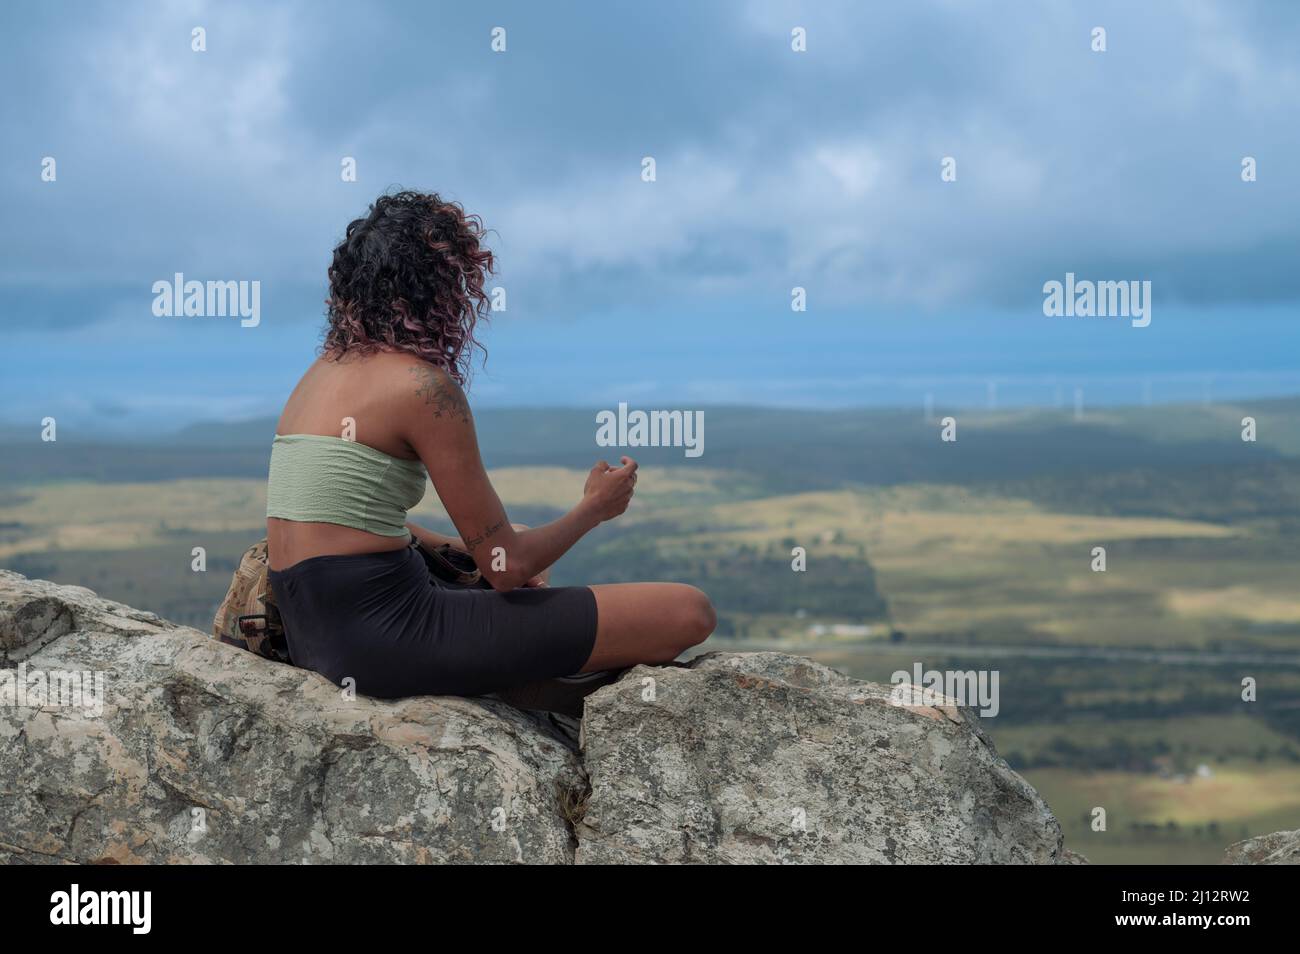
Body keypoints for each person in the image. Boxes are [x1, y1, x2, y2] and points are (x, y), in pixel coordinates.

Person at [264, 190, 715, 709]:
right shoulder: (422, 388)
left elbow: (343, 523)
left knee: (509, 540)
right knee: (688, 611)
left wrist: (461, 553)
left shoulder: (317, 378)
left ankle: (520, 678)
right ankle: (534, 687)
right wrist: (595, 507)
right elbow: (507, 567)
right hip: (388, 638)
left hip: (320, 634)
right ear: (438, 287)